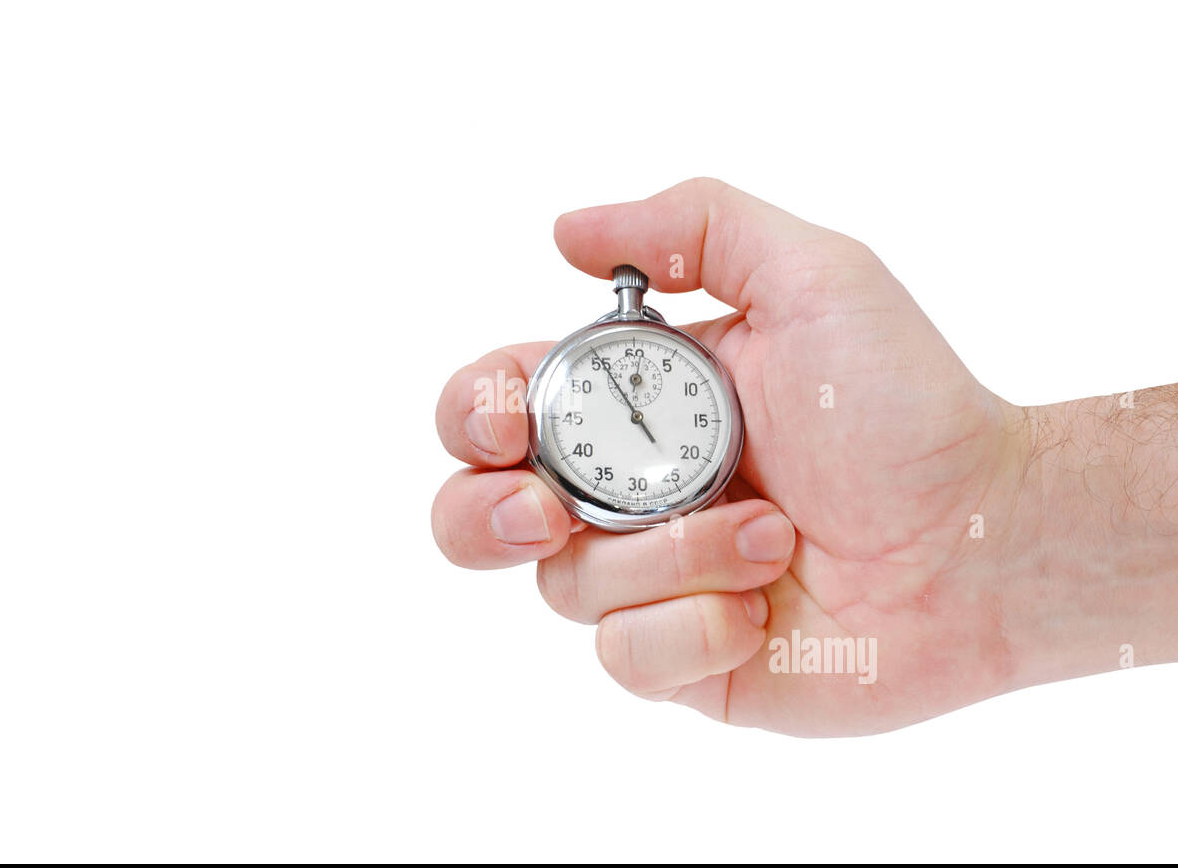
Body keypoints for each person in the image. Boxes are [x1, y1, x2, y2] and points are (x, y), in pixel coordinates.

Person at [431, 178, 1177, 736]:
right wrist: (989, 532)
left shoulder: (706, 389)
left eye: (646, 396)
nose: (634, 409)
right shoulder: (577, 386)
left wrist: (988, 523)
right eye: (616, 402)